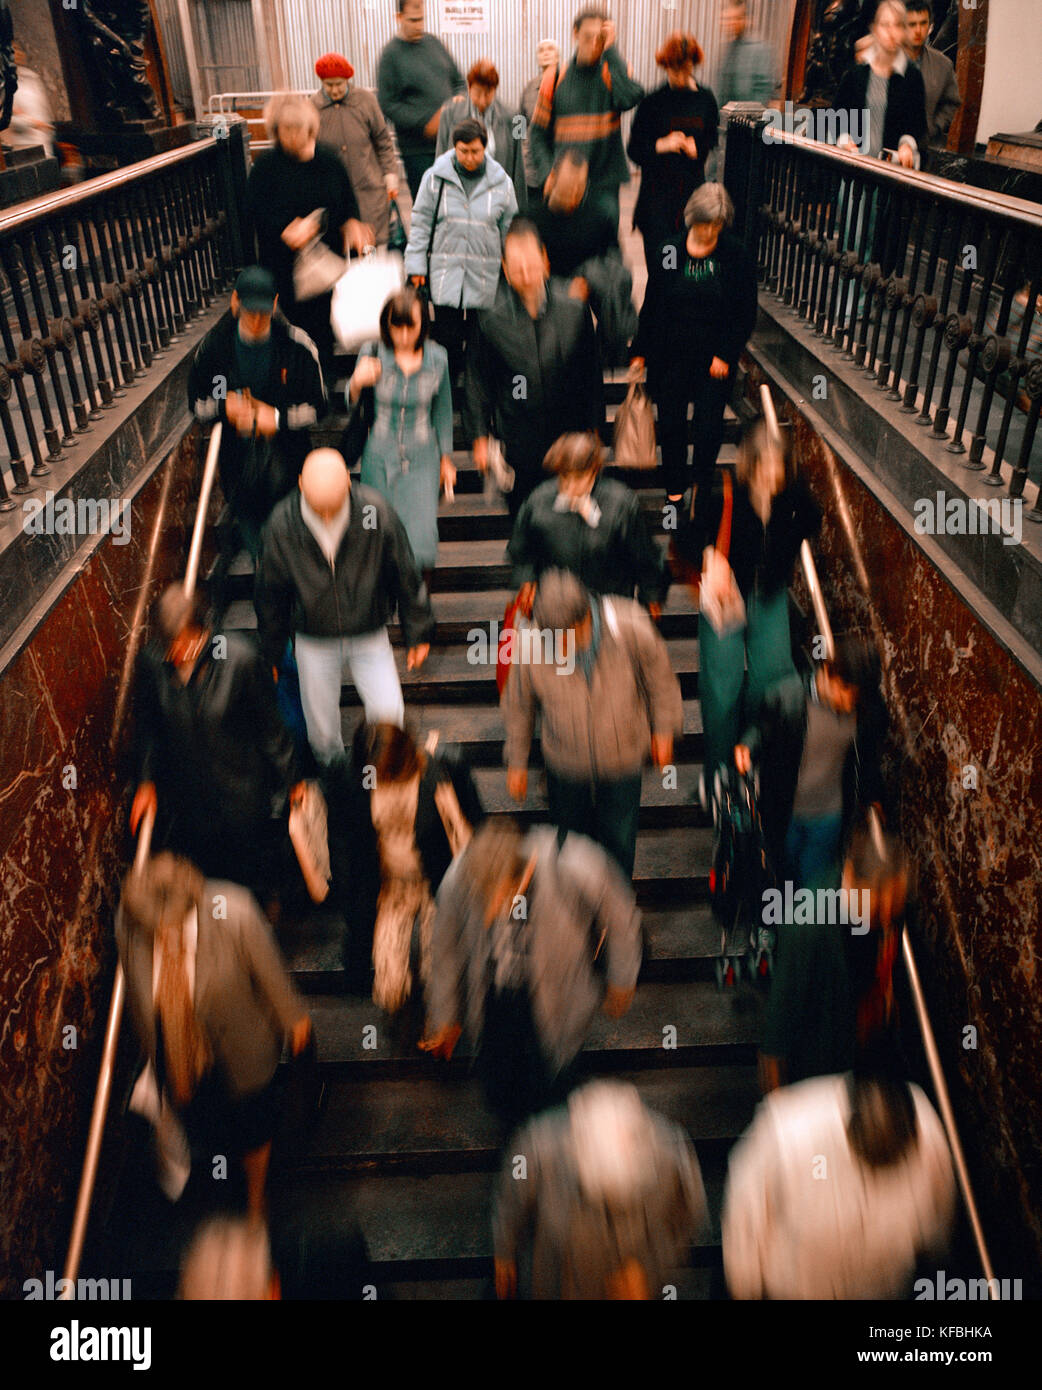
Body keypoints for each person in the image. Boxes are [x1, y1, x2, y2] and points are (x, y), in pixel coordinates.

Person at [116, 853, 312, 1219]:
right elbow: (136, 996)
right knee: (212, 1124)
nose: (161, 935)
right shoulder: (130, 922)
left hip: (242, 1043)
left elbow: (270, 972)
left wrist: (294, 1020)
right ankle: (223, 1181)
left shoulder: (232, 911)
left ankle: (255, 1198)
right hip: (183, 1057)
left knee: (253, 1122)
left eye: (169, 926)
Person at [422, 819, 642, 1129]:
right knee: (500, 1095)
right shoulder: (462, 873)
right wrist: (445, 1014)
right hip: (494, 1002)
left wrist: (621, 979)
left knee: (552, 1087)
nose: (489, 912)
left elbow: (621, 920)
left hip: (559, 998)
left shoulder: (576, 864)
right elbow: (445, 948)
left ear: (518, 877)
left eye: (496, 900)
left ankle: (547, 1145)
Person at [254, 449, 434, 761]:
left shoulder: (375, 512)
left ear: (349, 485)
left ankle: (388, 771)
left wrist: (418, 631)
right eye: (317, 508)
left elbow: (404, 573)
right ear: (299, 484)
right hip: (314, 636)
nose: (325, 517)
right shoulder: (281, 525)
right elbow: (270, 595)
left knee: (390, 716)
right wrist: (271, 651)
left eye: (332, 509)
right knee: (321, 730)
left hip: (369, 631)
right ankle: (334, 778)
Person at [502, 569, 682, 878]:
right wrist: (516, 760)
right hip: (565, 761)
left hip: (622, 757)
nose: (556, 647)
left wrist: (664, 730)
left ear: (583, 620)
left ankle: (618, 912)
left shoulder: (629, 625)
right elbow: (519, 704)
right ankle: (578, 910)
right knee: (570, 846)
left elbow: (660, 679)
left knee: (619, 841)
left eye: (562, 638)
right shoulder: (531, 642)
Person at [676, 419, 821, 801]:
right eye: (765, 464)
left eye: (780, 465)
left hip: (769, 596)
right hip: (726, 599)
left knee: (770, 680)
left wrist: (783, 556)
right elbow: (685, 540)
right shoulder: (724, 492)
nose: (773, 474)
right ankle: (718, 777)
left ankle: (754, 761)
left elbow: (813, 520)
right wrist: (709, 557)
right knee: (722, 688)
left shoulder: (793, 497)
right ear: (750, 462)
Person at [130, 584, 304, 904]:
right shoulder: (153, 663)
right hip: (191, 801)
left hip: (242, 795)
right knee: (207, 878)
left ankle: (256, 920)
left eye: (179, 643)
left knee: (248, 876)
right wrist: (146, 780)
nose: (172, 653)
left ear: (199, 632)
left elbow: (271, 728)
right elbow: (148, 725)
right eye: (165, 644)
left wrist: (292, 779)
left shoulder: (240, 659)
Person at [721, 1067, 957, 1298]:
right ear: (849, 1126)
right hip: (799, 1287)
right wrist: (745, 1284)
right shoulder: (787, 1131)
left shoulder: (926, 1128)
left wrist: (933, 1248)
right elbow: (746, 1216)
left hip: (880, 1287)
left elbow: (939, 1204)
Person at [493, 1080, 708, 1300]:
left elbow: (683, 1221)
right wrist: (505, 1246)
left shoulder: (670, 1155)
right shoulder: (540, 1144)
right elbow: (513, 1195)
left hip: (630, 1268)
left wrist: (648, 1270)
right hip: (558, 1269)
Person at [324, 720, 482, 1012]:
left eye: (387, 774)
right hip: (388, 884)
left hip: (436, 878)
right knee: (391, 991)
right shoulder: (345, 776)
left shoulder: (442, 769)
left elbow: (476, 826)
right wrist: (351, 894)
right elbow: (343, 841)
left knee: (440, 977)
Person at [188, 266, 326, 570]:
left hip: (288, 466)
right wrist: (225, 408)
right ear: (235, 302)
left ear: (275, 304)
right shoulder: (215, 348)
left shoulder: (296, 345)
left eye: (263, 312)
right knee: (262, 557)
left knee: (291, 550)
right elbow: (197, 405)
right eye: (250, 311)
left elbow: (318, 407)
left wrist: (276, 418)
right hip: (239, 471)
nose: (256, 320)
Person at [630, 183, 758, 508]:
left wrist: (726, 354)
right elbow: (654, 304)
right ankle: (674, 490)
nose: (707, 230)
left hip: (712, 360)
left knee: (708, 427)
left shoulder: (734, 255)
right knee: (671, 425)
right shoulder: (670, 250)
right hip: (670, 356)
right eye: (702, 223)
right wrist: (640, 351)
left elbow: (744, 313)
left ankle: (701, 484)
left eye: (714, 225)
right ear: (690, 219)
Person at [466, 219, 604, 517]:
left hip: (568, 436)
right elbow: (477, 379)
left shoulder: (574, 306)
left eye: (531, 264)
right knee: (525, 519)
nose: (526, 274)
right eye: (517, 267)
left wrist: (595, 429)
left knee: (568, 517)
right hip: (518, 438)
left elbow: (591, 374)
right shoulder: (489, 315)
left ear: (544, 259)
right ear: (504, 268)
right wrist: (479, 436)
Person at [734, 636, 889, 890]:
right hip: (785, 814)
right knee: (778, 878)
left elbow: (867, 757)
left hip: (828, 819)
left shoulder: (867, 712)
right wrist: (747, 746)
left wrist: (873, 796)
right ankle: (772, 925)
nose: (850, 703)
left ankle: (802, 928)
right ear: (829, 672)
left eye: (856, 697)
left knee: (814, 892)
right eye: (846, 691)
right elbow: (761, 729)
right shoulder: (786, 697)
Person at [404, 118, 518, 440]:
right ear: (454, 148)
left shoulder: (502, 183)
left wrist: (514, 269)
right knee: (448, 345)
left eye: (476, 151)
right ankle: (446, 408)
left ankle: (481, 412)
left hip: (485, 281)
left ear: (486, 147)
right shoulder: (434, 179)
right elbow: (421, 224)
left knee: (483, 348)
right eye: (463, 151)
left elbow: (510, 229)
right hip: (445, 281)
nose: (470, 157)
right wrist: (415, 267)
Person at [246, 94, 371, 377]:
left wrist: (352, 223)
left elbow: (346, 200)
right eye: (285, 129)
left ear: (310, 128)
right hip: (283, 268)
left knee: (322, 331)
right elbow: (255, 210)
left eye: (297, 129)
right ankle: (296, 388)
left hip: (324, 267)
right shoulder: (266, 167)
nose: (291, 136)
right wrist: (284, 228)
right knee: (289, 334)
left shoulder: (328, 160)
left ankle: (321, 388)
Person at [350, 287, 454, 583]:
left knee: (421, 537)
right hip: (379, 455)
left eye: (411, 327)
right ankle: (381, 601)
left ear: (422, 326)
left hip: (422, 457)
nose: (404, 335)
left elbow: (443, 411)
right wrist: (357, 382)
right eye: (398, 327)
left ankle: (416, 606)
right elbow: (349, 400)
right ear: (387, 325)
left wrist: (446, 459)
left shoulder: (438, 358)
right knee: (376, 531)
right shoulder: (372, 352)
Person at [507, 431, 668, 620]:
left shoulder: (621, 503)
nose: (571, 487)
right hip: (558, 609)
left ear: (594, 470)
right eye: (565, 478)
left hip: (609, 605)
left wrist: (650, 596)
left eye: (579, 478)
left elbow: (645, 555)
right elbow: (522, 550)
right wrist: (525, 578)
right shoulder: (539, 500)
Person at [528, 6, 644, 229]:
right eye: (588, 37)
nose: (593, 44)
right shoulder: (554, 78)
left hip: (604, 185)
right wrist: (548, 173)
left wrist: (611, 50)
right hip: (564, 187)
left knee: (603, 256)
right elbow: (536, 133)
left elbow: (629, 98)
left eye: (600, 38)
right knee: (566, 255)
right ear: (575, 34)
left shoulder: (614, 72)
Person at [627, 33, 718, 257]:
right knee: (661, 267)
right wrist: (661, 145)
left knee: (686, 268)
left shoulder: (706, 100)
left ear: (693, 66)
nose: (678, 76)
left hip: (691, 198)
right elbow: (634, 149)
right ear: (665, 66)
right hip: (657, 201)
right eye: (673, 69)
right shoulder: (652, 102)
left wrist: (698, 148)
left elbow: (712, 139)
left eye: (685, 69)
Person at [377, 0, 464, 200]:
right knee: (429, 207)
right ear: (399, 18)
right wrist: (426, 123)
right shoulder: (391, 55)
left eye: (422, 19)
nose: (419, 26)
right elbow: (388, 104)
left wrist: (459, 99)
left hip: (450, 144)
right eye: (413, 20)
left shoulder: (434, 43)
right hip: (418, 152)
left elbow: (459, 81)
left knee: (455, 204)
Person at [312, 52, 400, 246]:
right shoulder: (313, 108)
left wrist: (390, 175)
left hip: (370, 190)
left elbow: (382, 140)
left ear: (347, 80)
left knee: (374, 245)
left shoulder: (366, 101)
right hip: (334, 194)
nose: (334, 90)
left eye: (339, 84)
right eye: (329, 85)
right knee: (343, 246)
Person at [833, 2, 928, 166]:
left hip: (890, 174)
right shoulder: (856, 73)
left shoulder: (911, 76)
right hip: (853, 171)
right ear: (875, 28)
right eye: (885, 25)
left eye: (898, 25)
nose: (891, 32)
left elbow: (917, 126)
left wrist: (907, 144)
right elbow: (835, 118)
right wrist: (844, 140)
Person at [436, 59, 527, 213]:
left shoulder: (516, 117)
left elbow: (519, 169)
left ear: (495, 90)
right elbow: (440, 159)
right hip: (459, 200)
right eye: (478, 93)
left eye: (488, 93)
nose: (483, 101)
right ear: (469, 87)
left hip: (497, 200)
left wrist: (520, 213)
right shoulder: (449, 113)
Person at [903, 2, 960, 153]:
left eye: (923, 24)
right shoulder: (888, 60)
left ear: (931, 27)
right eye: (912, 24)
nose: (918, 30)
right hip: (887, 143)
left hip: (923, 147)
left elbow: (951, 102)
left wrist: (933, 126)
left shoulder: (942, 64)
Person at [519, 40, 560, 208]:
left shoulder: (566, 84)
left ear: (558, 56)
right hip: (531, 166)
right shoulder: (529, 87)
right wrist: (521, 148)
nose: (545, 53)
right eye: (541, 50)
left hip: (557, 163)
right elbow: (519, 121)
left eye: (550, 49)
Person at [717, 0, 777, 107]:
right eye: (728, 19)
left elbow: (763, 91)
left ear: (745, 20)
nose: (731, 23)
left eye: (736, 19)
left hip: (747, 117)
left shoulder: (759, 49)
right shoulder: (727, 48)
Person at [2, 42, 55, 157]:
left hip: (43, 145)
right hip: (20, 149)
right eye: (12, 50)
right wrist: (32, 123)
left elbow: (43, 111)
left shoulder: (32, 77)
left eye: (18, 49)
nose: (18, 53)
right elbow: (6, 117)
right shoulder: (3, 83)